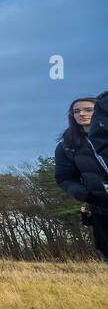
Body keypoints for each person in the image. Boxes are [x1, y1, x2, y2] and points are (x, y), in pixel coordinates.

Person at [55, 94, 108, 263]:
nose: (81, 114)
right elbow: (63, 177)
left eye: (88, 109)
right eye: (76, 111)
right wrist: (82, 193)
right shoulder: (67, 146)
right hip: (101, 205)